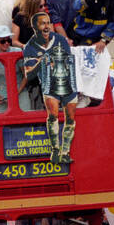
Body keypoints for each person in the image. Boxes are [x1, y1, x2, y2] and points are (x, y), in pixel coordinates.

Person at [20, 11, 78, 164]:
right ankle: (55, 151)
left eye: (48, 23)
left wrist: (59, 63)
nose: (47, 27)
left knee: (70, 118)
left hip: (66, 83)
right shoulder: (29, 47)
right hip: (49, 87)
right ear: (34, 27)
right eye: (42, 23)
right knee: (52, 116)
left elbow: (69, 61)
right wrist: (41, 62)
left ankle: (66, 152)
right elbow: (29, 75)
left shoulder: (60, 40)